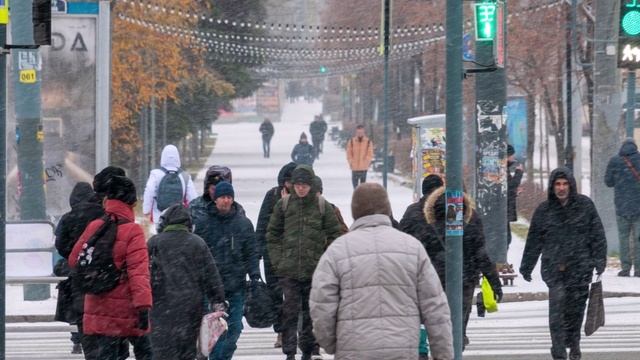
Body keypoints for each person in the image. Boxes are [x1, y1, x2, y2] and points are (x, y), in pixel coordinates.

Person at [309, 183, 454, 360]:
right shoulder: (411, 248)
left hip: (354, 349)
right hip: (401, 348)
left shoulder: (338, 250)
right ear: (387, 209)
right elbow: (435, 306)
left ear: (355, 211)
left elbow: (322, 303)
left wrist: (330, 342)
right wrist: (442, 353)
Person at [520, 167, 607, 360]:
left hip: (581, 268)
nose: (561, 188)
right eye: (557, 184)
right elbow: (534, 239)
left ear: (571, 185)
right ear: (552, 186)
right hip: (554, 269)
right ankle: (558, 349)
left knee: (576, 310)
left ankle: (574, 343)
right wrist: (527, 265)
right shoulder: (544, 210)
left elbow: (597, 235)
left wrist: (600, 260)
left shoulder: (585, 206)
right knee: (557, 311)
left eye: (565, 184)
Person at [69, 176, 153, 360]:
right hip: (125, 308)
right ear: (130, 201)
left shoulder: (95, 226)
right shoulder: (133, 231)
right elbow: (138, 272)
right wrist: (143, 306)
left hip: (98, 305)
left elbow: (74, 260)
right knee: (146, 351)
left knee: (107, 354)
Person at [266, 165, 343, 360]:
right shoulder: (283, 206)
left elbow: (335, 234)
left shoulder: (322, 206)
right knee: (290, 312)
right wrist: (279, 260)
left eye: (304, 185)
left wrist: (325, 258)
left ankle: (308, 350)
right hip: (289, 271)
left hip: (314, 270)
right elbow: (272, 234)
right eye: (298, 185)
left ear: (311, 185)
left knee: (310, 314)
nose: (301, 189)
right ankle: (290, 351)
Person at [421, 187, 502, 349]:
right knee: (458, 325)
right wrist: (494, 283)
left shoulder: (428, 227)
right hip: (465, 281)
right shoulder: (472, 221)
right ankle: (457, 343)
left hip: (437, 283)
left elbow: (420, 258)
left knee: (440, 328)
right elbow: (482, 255)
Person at [191, 181, 260, 360]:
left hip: (235, 285)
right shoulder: (203, 223)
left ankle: (223, 356)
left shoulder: (243, 224)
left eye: (229, 197)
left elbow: (251, 251)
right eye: (222, 197)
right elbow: (197, 253)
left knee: (235, 327)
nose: (226, 201)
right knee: (214, 328)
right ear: (215, 199)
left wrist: (254, 275)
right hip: (211, 288)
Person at [147, 204, 226, 360]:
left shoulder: (154, 243)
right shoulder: (197, 243)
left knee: (162, 351)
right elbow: (211, 276)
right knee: (187, 351)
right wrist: (218, 300)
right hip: (190, 308)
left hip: (160, 307)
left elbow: (142, 274)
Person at [54, 182, 104, 355]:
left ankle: (79, 340)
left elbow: (59, 244)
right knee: (99, 308)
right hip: (101, 271)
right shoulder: (103, 215)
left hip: (76, 272)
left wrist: (73, 255)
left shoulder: (68, 217)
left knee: (79, 309)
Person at [255, 162, 298, 348]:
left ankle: (293, 331)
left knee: (293, 296)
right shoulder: (272, 196)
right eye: (288, 181)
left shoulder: (303, 198)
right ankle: (280, 331)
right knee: (275, 295)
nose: (290, 185)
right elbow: (262, 224)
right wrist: (258, 250)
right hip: (272, 255)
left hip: (294, 255)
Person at [605, 138, 640, 277]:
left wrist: (620, 182)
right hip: (639, 206)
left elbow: (608, 182)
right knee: (638, 238)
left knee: (624, 238)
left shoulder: (615, 161)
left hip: (621, 206)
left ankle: (625, 268)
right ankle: (638, 269)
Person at [142, 144, 197, 224]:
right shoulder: (185, 176)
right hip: (179, 217)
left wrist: (146, 210)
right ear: (178, 157)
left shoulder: (155, 174)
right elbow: (193, 198)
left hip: (159, 217)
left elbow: (149, 192)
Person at [346, 124, 374, 189]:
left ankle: (362, 198)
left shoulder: (368, 142)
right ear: (356, 132)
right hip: (354, 168)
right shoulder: (351, 141)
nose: (360, 134)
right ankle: (356, 198)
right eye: (358, 132)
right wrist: (351, 162)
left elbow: (370, 154)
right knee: (355, 187)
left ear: (364, 132)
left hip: (364, 168)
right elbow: (349, 153)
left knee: (363, 188)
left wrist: (366, 162)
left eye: (361, 132)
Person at [507, 144, 524, 250]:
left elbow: (509, 190)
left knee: (507, 238)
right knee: (506, 239)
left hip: (504, 213)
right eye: (511, 155)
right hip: (503, 213)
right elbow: (509, 187)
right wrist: (519, 173)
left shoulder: (504, 170)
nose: (513, 158)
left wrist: (515, 192)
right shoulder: (503, 170)